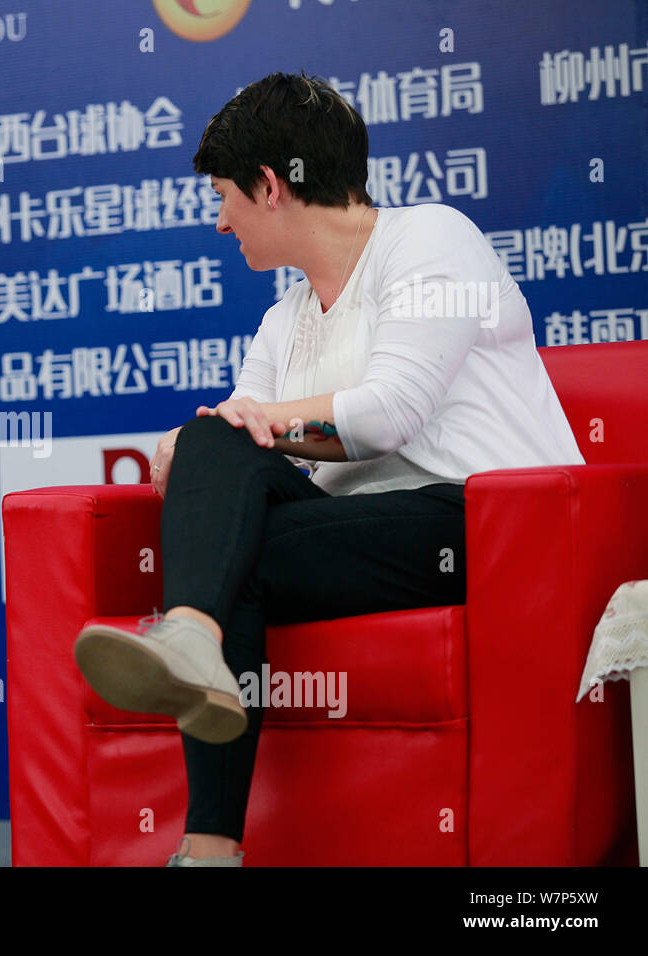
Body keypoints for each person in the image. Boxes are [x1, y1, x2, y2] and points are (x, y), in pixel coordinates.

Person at [71, 73, 584, 867]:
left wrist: (251, 426)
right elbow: (226, 453)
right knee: (215, 466)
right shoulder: (283, 320)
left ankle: (206, 835)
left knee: (231, 522)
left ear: (270, 186)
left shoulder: (430, 239)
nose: (218, 222)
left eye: (224, 197)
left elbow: (389, 415)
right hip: (356, 533)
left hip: (478, 523)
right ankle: (193, 662)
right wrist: (195, 446)